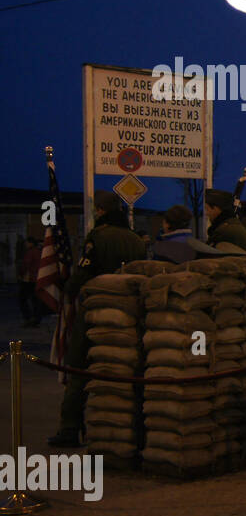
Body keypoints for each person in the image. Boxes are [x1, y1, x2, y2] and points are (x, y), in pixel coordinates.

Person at [49, 191, 146, 447]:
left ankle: (70, 427)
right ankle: (131, 428)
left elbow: (84, 272)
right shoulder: (136, 240)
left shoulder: (98, 237)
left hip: (95, 311)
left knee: (78, 366)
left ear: (101, 211)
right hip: (129, 314)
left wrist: (68, 290)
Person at [18, 237, 42, 327]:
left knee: (22, 299)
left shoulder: (30, 252)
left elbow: (26, 265)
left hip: (29, 279)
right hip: (36, 278)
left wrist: (21, 274)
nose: (26, 244)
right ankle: (36, 318)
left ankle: (28, 318)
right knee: (35, 300)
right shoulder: (39, 252)